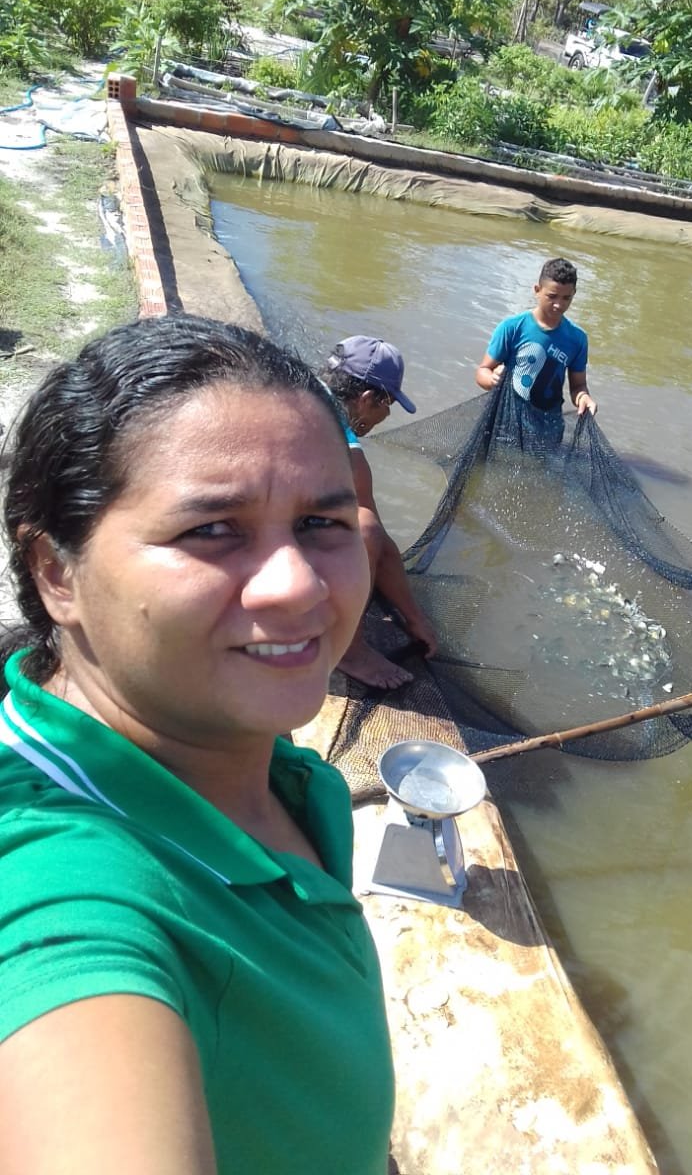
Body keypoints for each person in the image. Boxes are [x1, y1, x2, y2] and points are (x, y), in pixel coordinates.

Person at [0, 317, 394, 1174]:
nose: (297, 586)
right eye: (212, 531)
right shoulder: (60, 891)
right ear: (56, 574)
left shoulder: (258, 763)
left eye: (323, 523)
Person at [325, 335, 438, 690]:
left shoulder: (301, 390)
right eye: (386, 405)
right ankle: (349, 650)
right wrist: (415, 618)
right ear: (366, 399)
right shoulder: (347, 450)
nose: (385, 417)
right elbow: (380, 544)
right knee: (365, 527)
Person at [474, 257, 598, 442]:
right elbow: (482, 371)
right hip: (505, 422)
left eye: (566, 298)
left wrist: (583, 398)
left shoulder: (577, 339)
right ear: (537, 291)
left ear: (574, 294)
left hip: (548, 426)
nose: (559, 304)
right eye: (552, 296)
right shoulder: (512, 327)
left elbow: (578, 385)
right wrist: (492, 379)